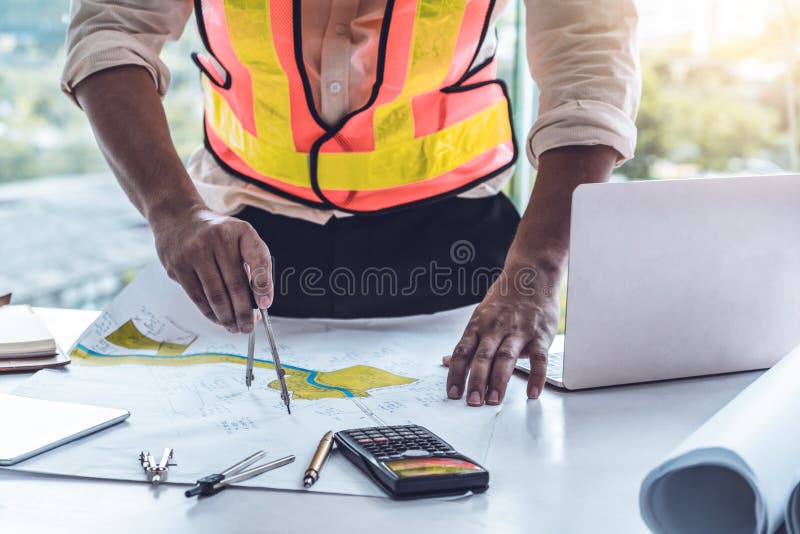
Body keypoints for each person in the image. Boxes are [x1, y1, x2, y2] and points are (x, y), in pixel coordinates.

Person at [62, 0, 640, 407]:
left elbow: (590, 64)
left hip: (464, 264)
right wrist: (173, 211)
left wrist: (539, 265)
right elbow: (111, 30)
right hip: (233, 250)